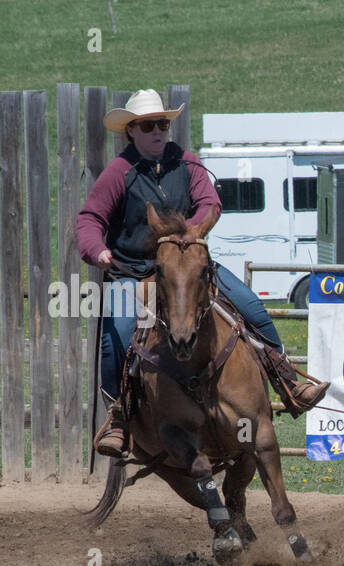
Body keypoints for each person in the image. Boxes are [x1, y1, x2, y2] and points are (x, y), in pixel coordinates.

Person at [77, 89, 328, 457]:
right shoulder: (119, 173)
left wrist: (189, 236)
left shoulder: (188, 163)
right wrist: (96, 249)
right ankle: (119, 416)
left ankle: (286, 378)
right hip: (132, 271)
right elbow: (90, 218)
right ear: (130, 131)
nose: (158, 131)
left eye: (162, 124)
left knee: (250, 305)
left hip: (187, 265)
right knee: (119, 329)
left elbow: (209, 201)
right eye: (148, 126)